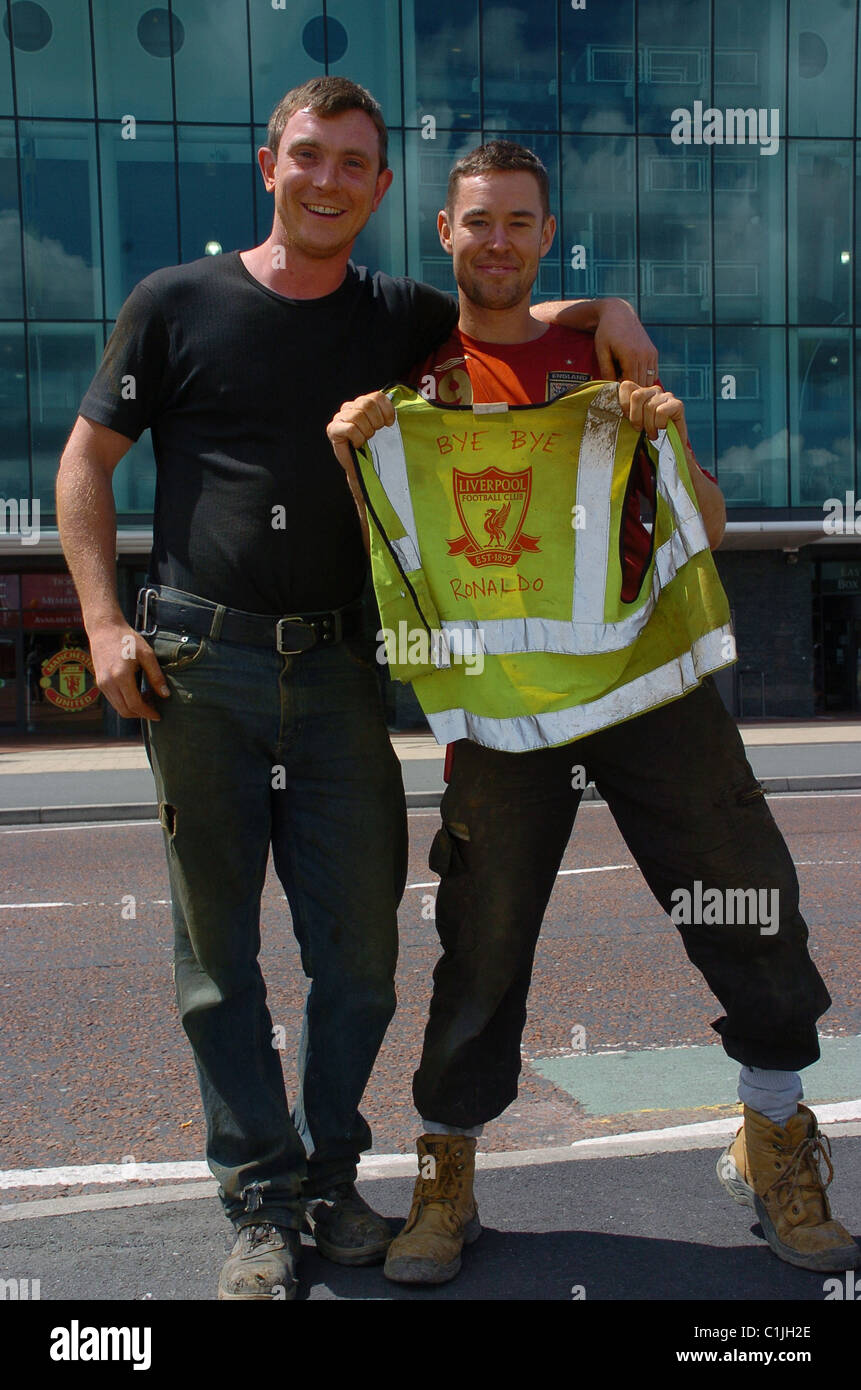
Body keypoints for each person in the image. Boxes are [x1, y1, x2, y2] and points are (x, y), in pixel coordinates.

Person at [55, 82, 656, 1302]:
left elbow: (515, 309)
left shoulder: (401, 316)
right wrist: (105, 623)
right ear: (267, 162)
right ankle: (261, 1202)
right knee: (217, 959)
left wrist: (614, 308)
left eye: (354, 166)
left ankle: (334, 1177)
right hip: (197, 666)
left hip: (340, 673)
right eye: (308, 157)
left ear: (384, 192)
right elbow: (86, 463)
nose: (327, 180)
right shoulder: (175, 303)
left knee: (364, 956)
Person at [327, 140, 859, 1287]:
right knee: (482, 938)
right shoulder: (411, 375)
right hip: (509, 718)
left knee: (747, 896)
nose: (499, 242)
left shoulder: (600, 354)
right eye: (479, 223)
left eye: (519, 222)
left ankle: (774, 1137)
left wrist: (666, 430)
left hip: (649, 690)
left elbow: (703, 525)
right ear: (445, 235)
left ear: (546, 235)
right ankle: (446, 1170)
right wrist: (353, 453)